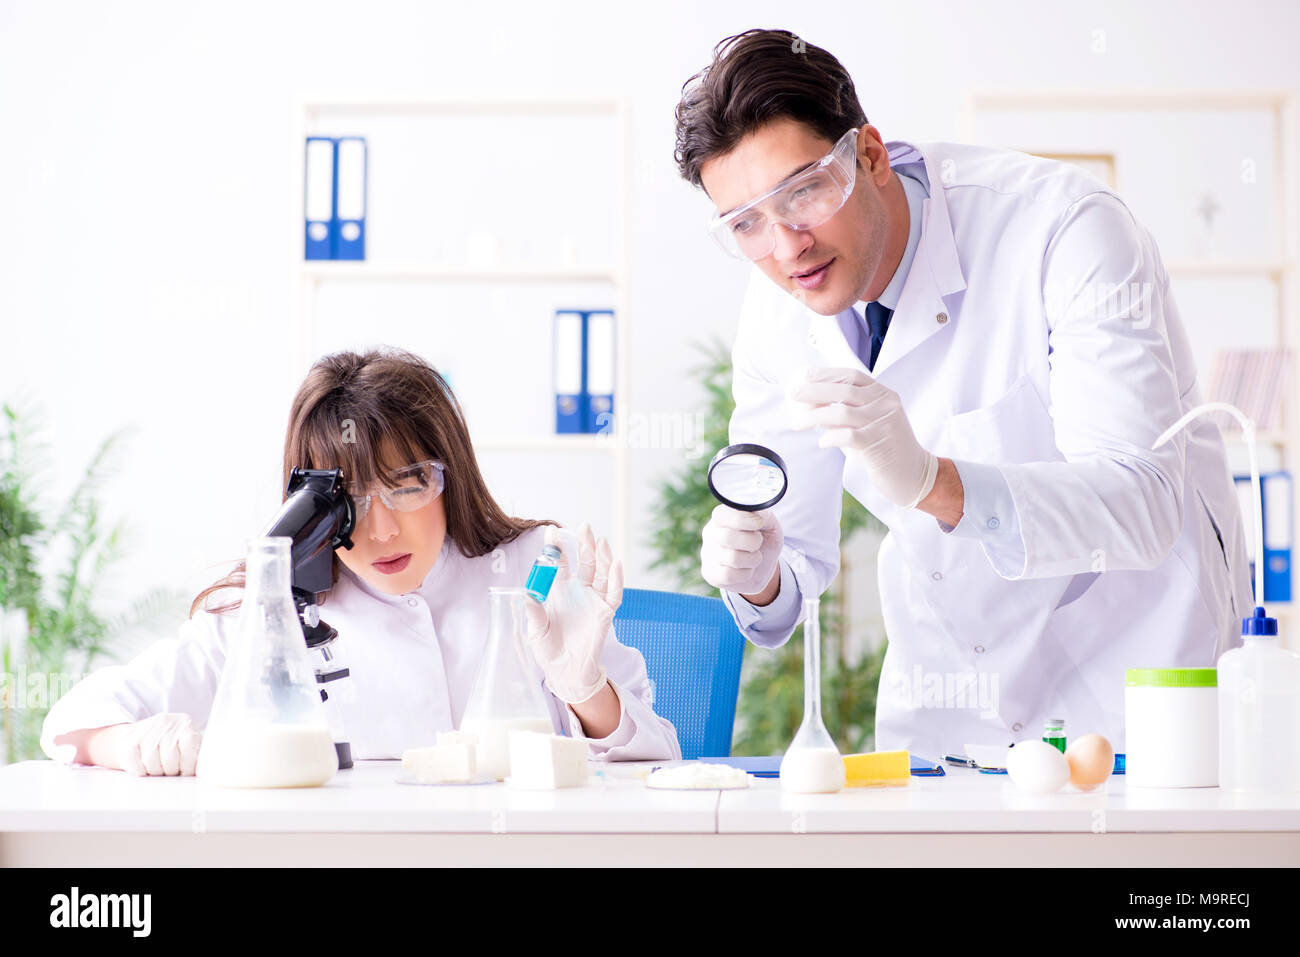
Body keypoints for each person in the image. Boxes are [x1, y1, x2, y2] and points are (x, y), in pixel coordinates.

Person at [676, 29, 1251, 759]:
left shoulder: (1063, 229)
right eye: (747, 223)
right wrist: (757, 576)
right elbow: (793, 567)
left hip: (1134, 688)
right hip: (951, 701)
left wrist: (933, 483)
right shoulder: (777, 312)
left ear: (870, 155)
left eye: (805, 191)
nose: (786, 245)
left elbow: (1141, 508)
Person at [41, 347, 680, 774]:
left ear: (450, 473)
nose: (381, 530)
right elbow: (76, 718)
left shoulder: (536, 569)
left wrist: (585, 691)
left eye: (407, 484)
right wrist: (133, 744)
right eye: (351, 499)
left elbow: (658, 760)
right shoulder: (273, 611)